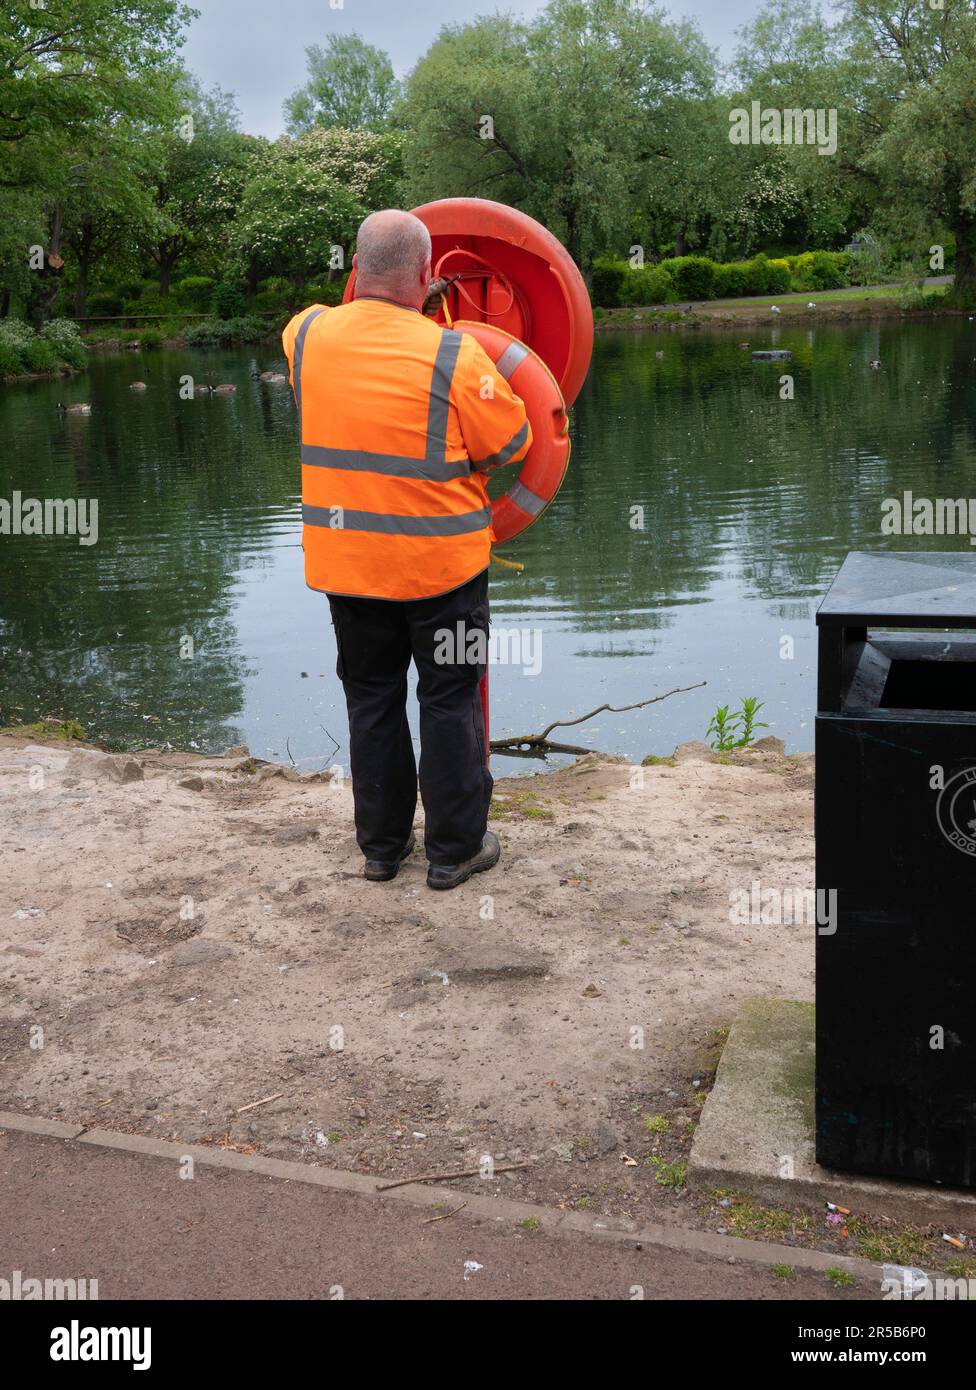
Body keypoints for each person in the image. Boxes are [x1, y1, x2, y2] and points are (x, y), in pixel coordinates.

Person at [282, 209, 532, 890]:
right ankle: (454, 852)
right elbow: (513, 446)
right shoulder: (455, 353)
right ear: (427, 277)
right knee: (449, 701)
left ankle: (382, 851)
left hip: (349, 569)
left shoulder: (303, 336)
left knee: (372, 701)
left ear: (354, 270)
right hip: (441, 572)